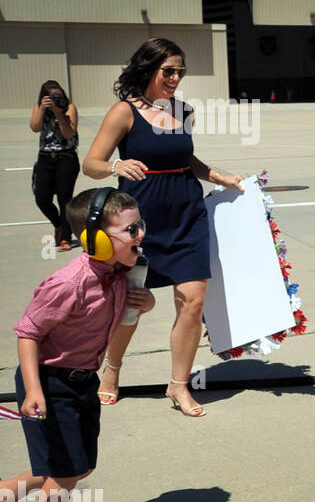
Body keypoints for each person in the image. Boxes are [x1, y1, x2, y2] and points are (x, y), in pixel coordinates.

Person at [1, 189, 157, 502]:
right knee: (65, 475)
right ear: (96, 240)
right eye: (131, 229)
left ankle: (5, 494)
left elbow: (113, 315)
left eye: (141, 225)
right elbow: (27, 334)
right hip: (49, 383)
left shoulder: (121, 272)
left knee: (79, 465)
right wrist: (33, 390)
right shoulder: (67, 283)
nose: (141, 234)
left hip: (83, 380)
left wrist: (146, 302)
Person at [82, 37, 244, 416]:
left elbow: (186, 158)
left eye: (180, 71)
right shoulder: (124, 112)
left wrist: (219, 177)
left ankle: (179, 386)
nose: (175, 77)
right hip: (139, 222)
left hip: (187, 215)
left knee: (192, 301)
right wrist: (114, 167)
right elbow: (90, 162)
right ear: (149, 69)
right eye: (168, 70)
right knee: (131, 307)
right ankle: (112, 369)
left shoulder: (184, 111)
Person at [29, 80, 81, 252]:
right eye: (51, 96)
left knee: (64, 199)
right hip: (45, 158)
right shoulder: (40, 107)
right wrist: (43, 108)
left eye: (57, 95)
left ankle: (66, 238)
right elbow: (35, 128)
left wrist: (59, 113)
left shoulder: (69, 108)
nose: (54, 98)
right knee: (41, 198)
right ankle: (59, 224)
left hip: (66, 157)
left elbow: (68, 134)